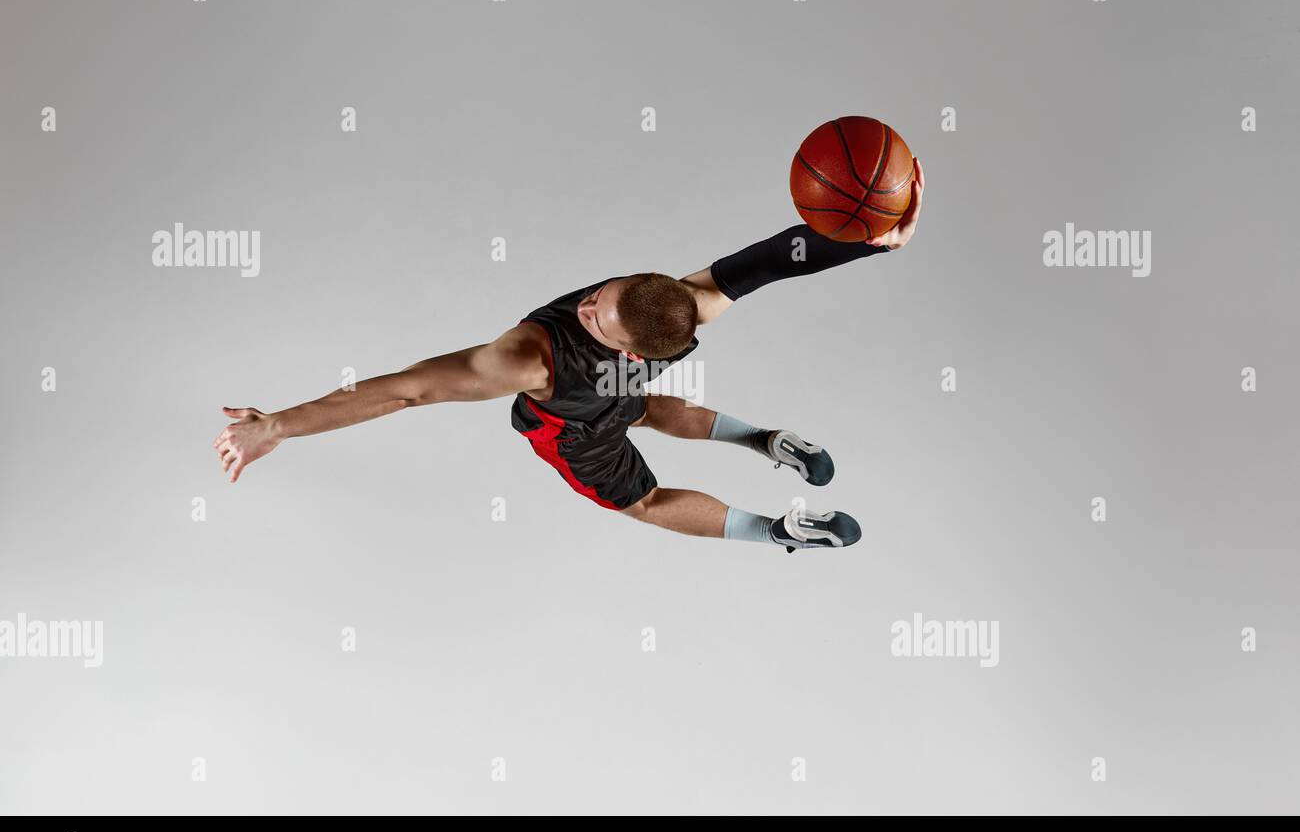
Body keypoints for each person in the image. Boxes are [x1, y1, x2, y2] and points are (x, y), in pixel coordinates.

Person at [214, 161, 924, 551]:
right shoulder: (682, 305)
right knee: (641, 403)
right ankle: (767, 440)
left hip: (573, 418)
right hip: (626, 381)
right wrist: (869, 237)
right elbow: (773, 260)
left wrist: (274, 425)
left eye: (596, 314)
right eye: (597, 296)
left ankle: (776, 530)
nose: (585, 305)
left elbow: (406, 391)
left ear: (626, 334)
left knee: (642, 500)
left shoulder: (530, 360)